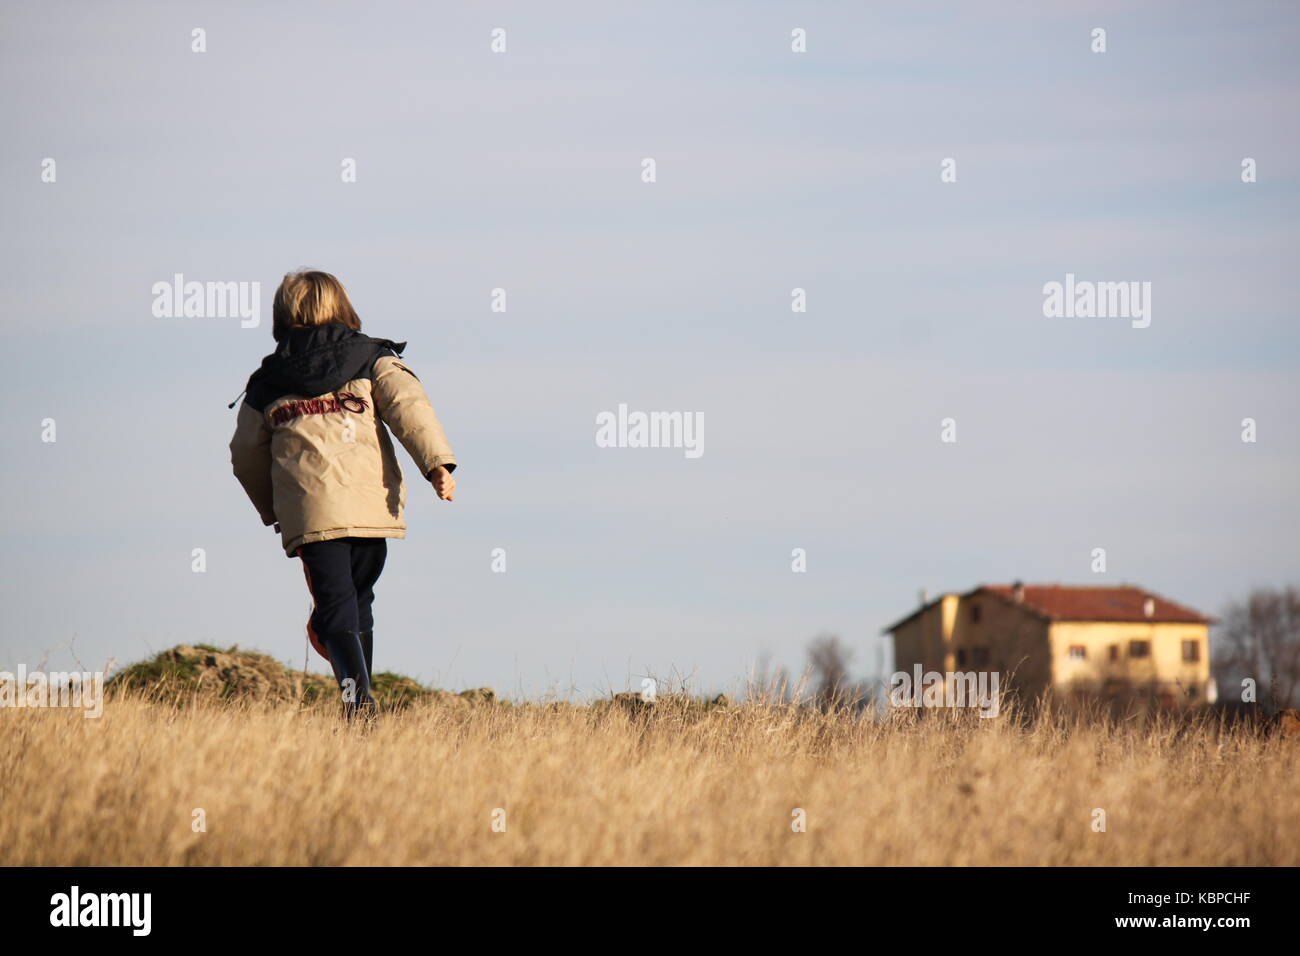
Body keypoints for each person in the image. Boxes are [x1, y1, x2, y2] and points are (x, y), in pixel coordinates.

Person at [229, 270, 457, 718]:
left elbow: (244, 453)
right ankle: (362, 700)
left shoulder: (267, 381)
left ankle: (358, 701)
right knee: (357, 600)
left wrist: (270, 508)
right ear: (344, 307)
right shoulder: (373, 358)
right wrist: (438, 465)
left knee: (334, 606)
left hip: (311, 515)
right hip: (372, 505)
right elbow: (411, 408)